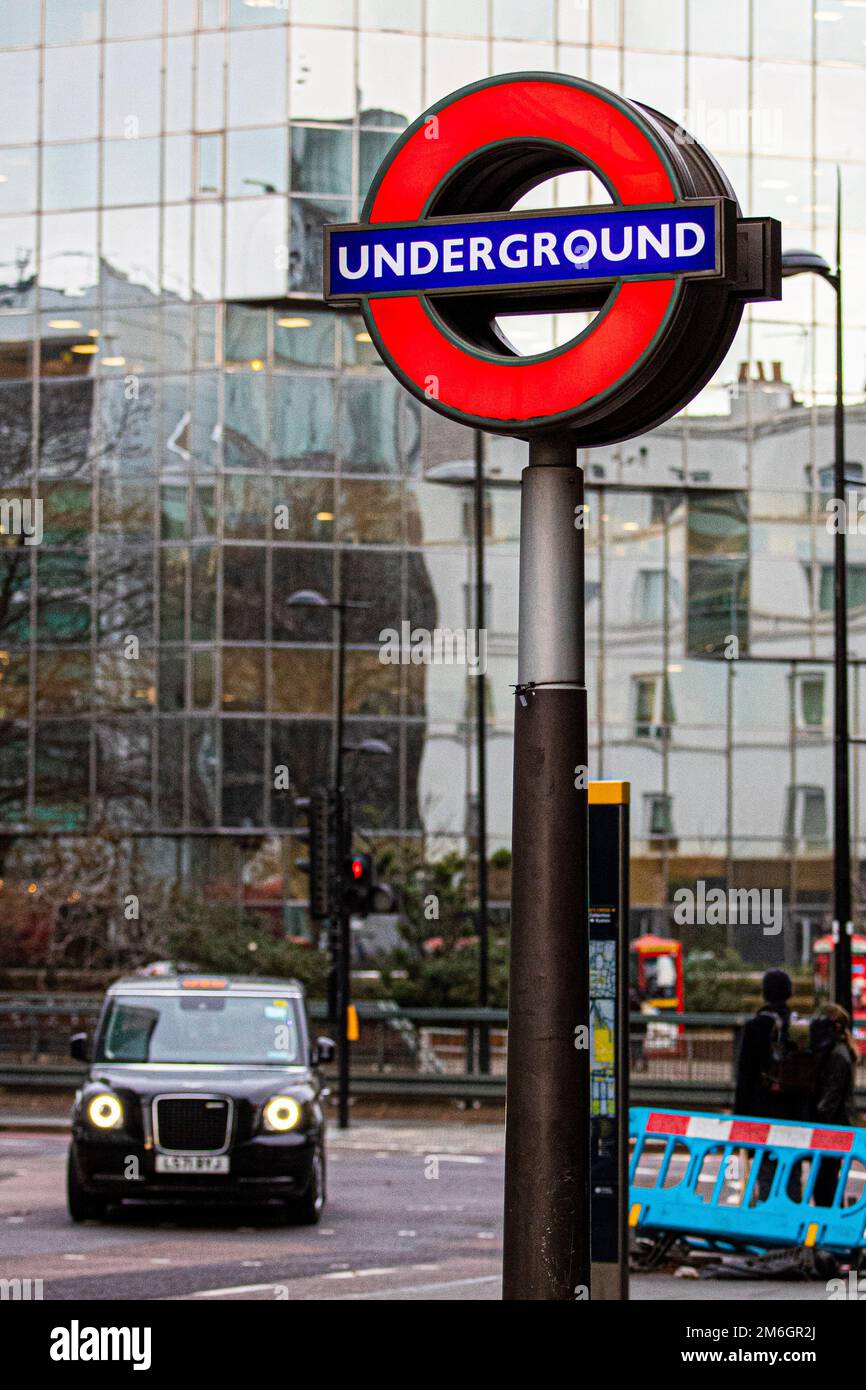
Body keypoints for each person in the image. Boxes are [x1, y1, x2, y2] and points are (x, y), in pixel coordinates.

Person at [734, 969, 802, 1202]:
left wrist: (740, 1115)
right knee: (792, 1167)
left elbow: (745, 1074)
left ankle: (769, 1221)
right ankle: (792, 1221)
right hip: (794, 1109)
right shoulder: (799, 1027)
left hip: (762, 1107)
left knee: (766, 1167)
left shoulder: (755, 1027)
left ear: (764, 993)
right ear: (789, 993)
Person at [809, 1003, 858, 1209]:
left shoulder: (837, 1055)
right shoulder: (838, 1051)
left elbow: (831, 1096)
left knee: (825, 1183)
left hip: (831, 1128)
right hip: (834, 1125)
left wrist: (814, 1121)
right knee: (826, 1181)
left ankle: (830, 1227)